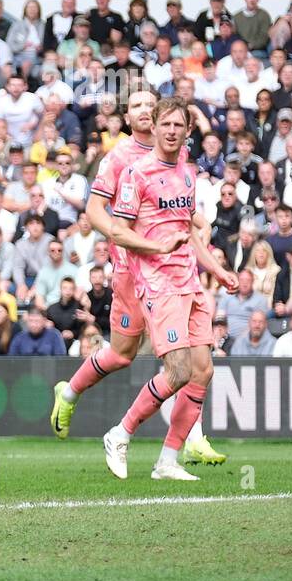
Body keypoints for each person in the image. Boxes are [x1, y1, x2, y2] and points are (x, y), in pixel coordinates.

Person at [50, 89, 228, 465]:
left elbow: (181, 209)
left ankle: (188, 440)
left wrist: (199, 233)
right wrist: (128, 238)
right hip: (132, 270)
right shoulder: (119, 159)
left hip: (172, 273)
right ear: (129, 118)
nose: (146, 111)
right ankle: (69, 393)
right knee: (122, 354)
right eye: (138, 106)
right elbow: (97, 212)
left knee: (194, 362)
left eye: (152, 104)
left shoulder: (177, 155)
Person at [103, 97, 238, 482]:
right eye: (166, 124)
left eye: (179, 125)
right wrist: (156, 248)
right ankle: (120, 433)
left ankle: (167, 460)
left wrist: (217, 268)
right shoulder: (137, 173)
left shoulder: (188, 174)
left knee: (202, 371)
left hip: (190, 282)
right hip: (158, 285)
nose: (172, 131)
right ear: (154, 126)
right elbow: (118, 231)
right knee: (177, 370)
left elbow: (189, 234)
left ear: (188, 131)